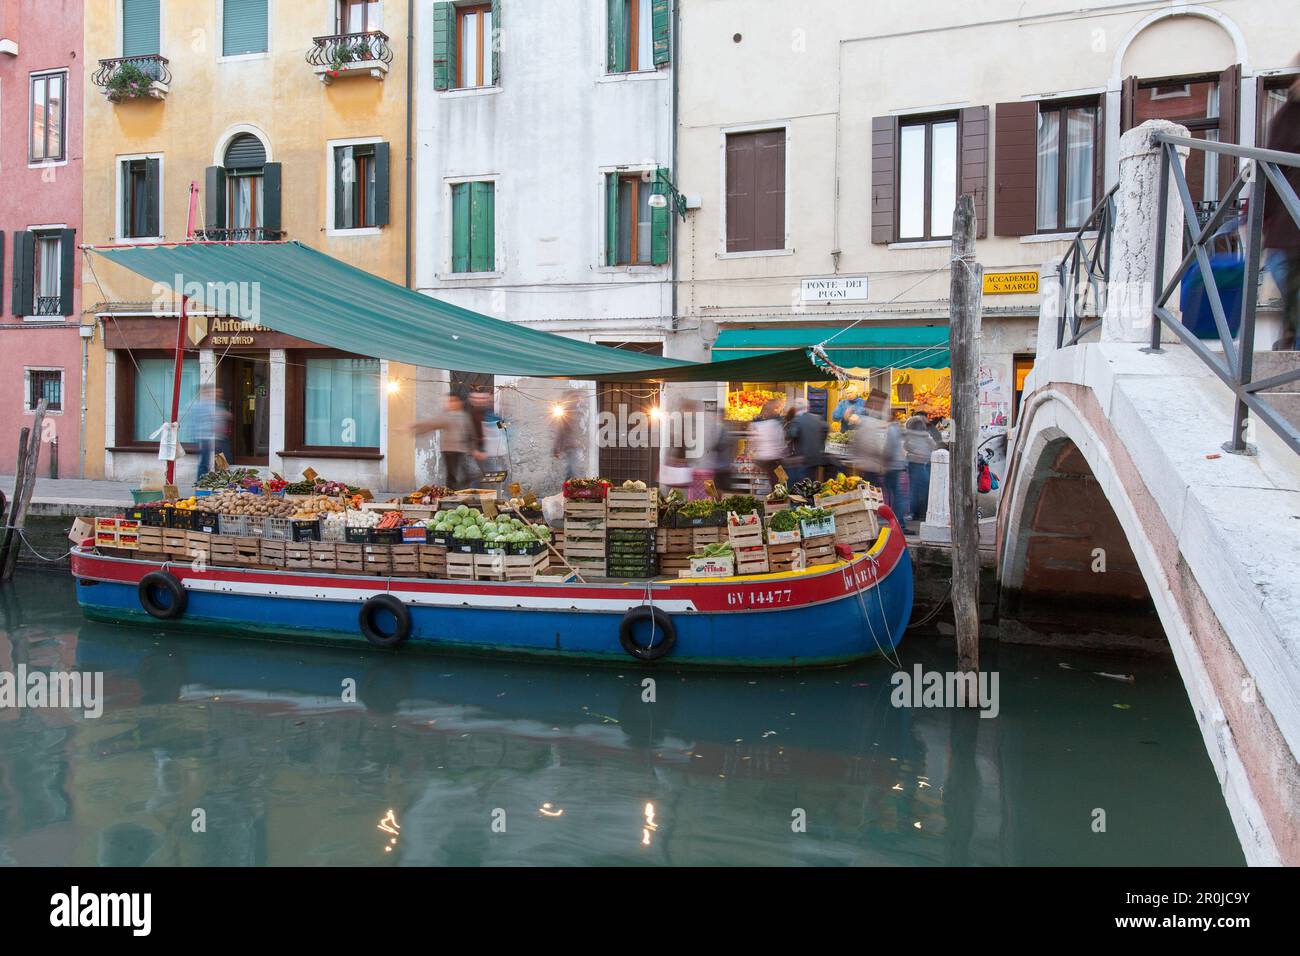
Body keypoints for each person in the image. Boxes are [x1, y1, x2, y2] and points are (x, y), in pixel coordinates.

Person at [1263, 67, 1300, 351]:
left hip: (1288, 232)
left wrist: (1261, 221)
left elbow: (1270, 168)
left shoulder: (1290, 113)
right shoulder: (1291, 113)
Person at [412, 394, 482, 488]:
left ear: (459, 403)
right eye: (450, 401)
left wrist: (474, 449)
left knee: (470, 474)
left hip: (463, 450)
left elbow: (471, 434)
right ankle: (452, 493)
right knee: (451, 475)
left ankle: (459, 490)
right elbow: (431, 423)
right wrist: (415, 427)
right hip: (449, 451)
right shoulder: (446, 416)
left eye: (453, 401)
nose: (451, 404)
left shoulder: (465, 416)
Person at [785, 398, 829, 485]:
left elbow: (792, 434)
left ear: (795, 408)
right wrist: (820, 442)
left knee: (803, 486)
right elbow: (826, 428)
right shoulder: (818, 419)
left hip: (803, 459)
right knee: (812, 484)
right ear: (808, 407)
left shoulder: (796, 421)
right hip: (816, 458)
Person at [903, 412, 938, 524]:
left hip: (914, 463)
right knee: (924, 489)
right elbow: (934, 447)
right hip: (924, 464)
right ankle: (922, 513)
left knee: (914, 490)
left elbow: (906, 446)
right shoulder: (927, 436)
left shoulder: (910, 436)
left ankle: (914, 513)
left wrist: (914, 451)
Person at [192, 384, 232, 479]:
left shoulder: (211, 404)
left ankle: (205, 482)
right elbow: (200, 422)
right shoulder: (200, 405)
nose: (210, 394)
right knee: (205, 463)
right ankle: (200, 483)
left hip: (213, 437)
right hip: (204, 437)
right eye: (207, 392)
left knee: (209, 461)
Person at [747, 396, 788, 489]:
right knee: (779, 482)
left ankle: (774, 496)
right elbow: (782, 441)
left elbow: (752, 442)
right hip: (774, 459)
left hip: (765, 459)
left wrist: (751, 453)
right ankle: (776, 498)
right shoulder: (776, 424)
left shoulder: (757, 424)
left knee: (777, 481)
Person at [551, 389, 586, 480]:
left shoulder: (573, 413)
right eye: (576, 397)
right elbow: (560, 432)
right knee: (572, 471)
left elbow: (562, 431)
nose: (578, 400)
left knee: (571, 470)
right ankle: (569, 489)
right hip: (570, 447)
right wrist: (556, 448)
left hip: (572, 447)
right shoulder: (566, 414)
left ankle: (568, 489)